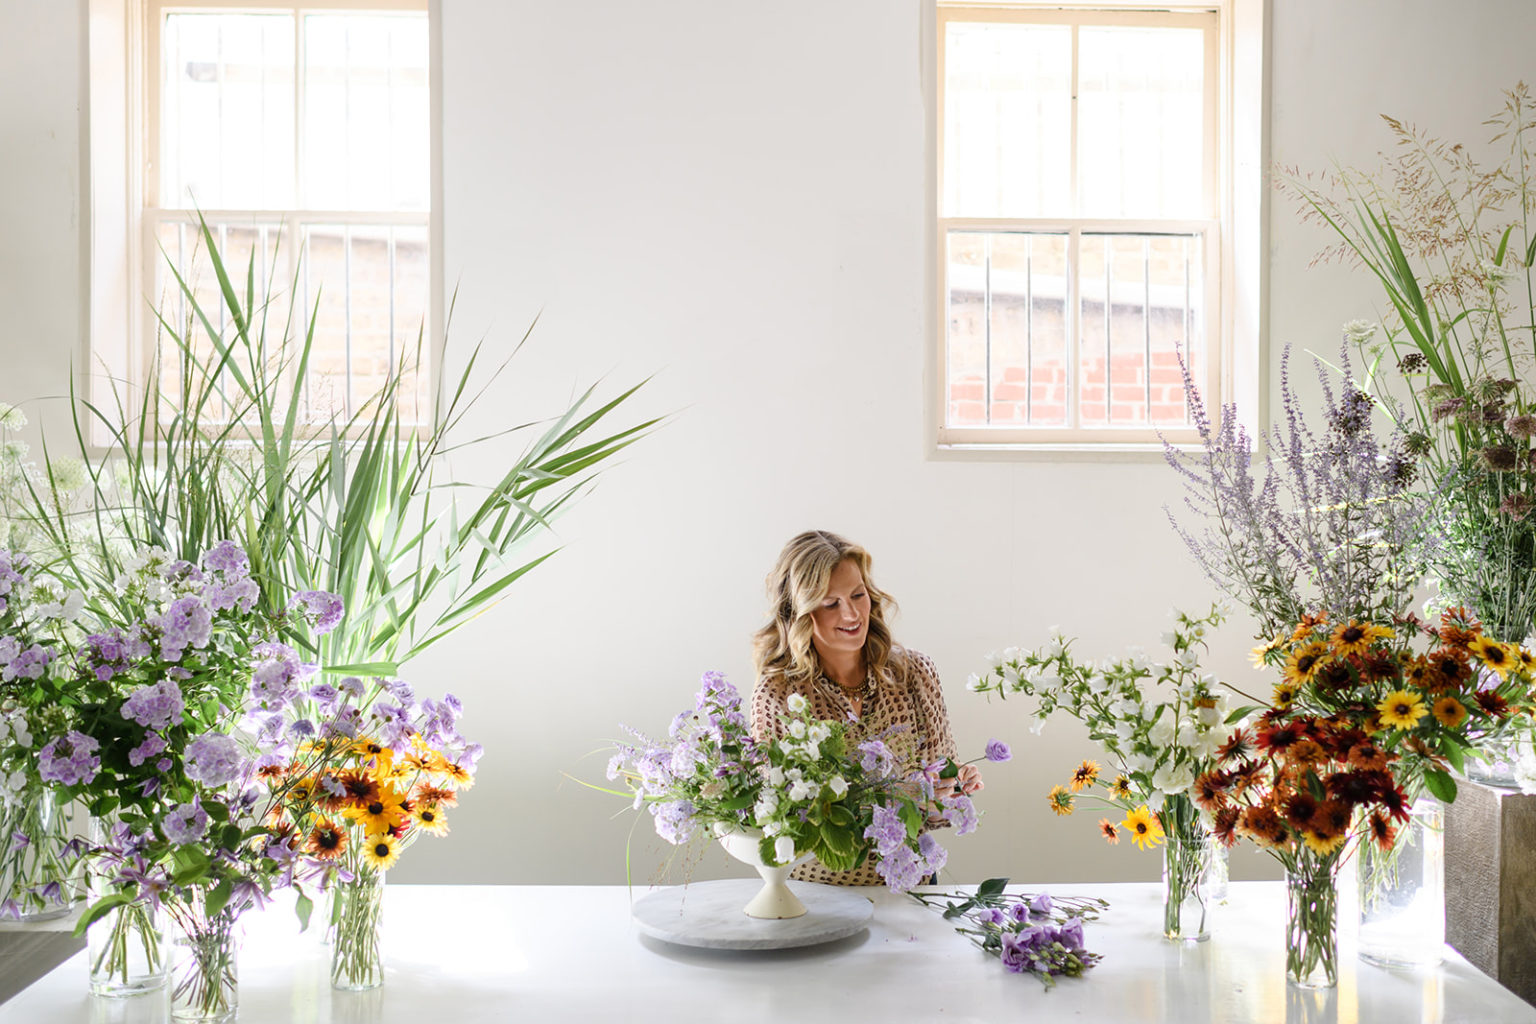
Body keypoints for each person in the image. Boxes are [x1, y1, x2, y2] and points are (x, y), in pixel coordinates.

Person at [749, 529, 980, 886]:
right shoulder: (778, 696)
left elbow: (936, 810)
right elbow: (784, 820)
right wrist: (901, 794)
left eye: (858, 594)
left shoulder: (915, 674)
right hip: (818, 895)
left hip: (910, 890)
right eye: (831, 603)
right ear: (800, 612)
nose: (853, 612)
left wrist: (950, 790)